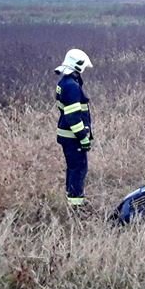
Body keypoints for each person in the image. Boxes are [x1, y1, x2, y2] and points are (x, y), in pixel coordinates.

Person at [54, 48, 93, 207]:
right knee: (78, 170)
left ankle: (72, 200)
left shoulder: (65, 82)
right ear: (79, 65)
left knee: (73, 168)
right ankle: (76, 206)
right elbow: (73, 117)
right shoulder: (71, 86)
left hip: (67, 135)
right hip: (73, 137)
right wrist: (83, 138)